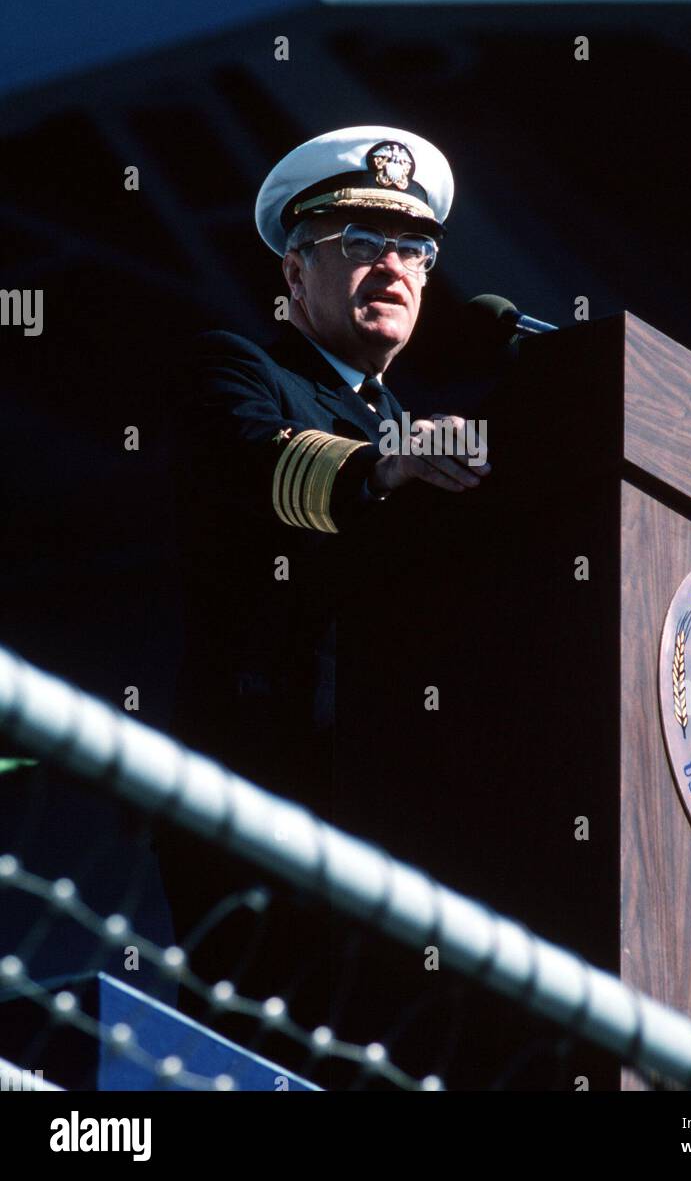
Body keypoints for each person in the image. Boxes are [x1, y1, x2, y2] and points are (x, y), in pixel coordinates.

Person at [155, 127, 490, 1022]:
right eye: (360, 243)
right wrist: (383, 469)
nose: (392, 267)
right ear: (296, 275)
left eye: (412, 249)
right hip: (266, 775)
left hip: (403, 803)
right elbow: (255, 472)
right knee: (269, 1038)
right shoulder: (241, 368)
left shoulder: (422, 434)